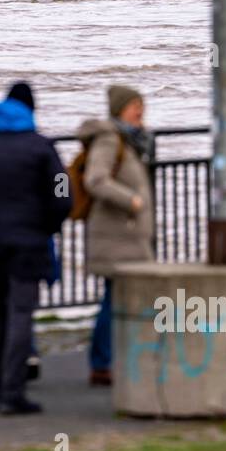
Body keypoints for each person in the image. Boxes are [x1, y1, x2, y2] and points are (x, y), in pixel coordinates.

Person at [0, 82, 71, 415]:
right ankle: (13, 392)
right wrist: (49, 225)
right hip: (29, 244)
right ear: (31, 110)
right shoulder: (42, 147)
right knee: (20, 315)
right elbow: (62, 191)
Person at [76, 85, 155, 386]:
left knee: (119, 296)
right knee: (116, 297)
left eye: (142, 105)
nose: (140, 111)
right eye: (135, 105)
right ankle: (103, 363)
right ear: (120, 109)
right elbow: (96, 180)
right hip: (116, 234)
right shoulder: (110, 139)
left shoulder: (130, 140)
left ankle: (110, 360)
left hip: (127, 235)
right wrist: (131, 201)